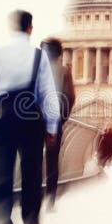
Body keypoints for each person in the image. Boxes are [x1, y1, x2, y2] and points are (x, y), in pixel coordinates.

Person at [0, 10, 60, 224]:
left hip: (1, 117)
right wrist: (52, 127)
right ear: (30, 28)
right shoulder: (38, 56)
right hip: (30, 117)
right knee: (32, 172)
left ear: (11, 28)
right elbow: (48, 93)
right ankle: (31, 222)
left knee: (1, 173)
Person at [40, 37, 75, 209]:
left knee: (31, 158)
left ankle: (32, 197)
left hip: (33, 121)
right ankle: (50, 198)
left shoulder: (36, 70)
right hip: (54, 123)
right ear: (60, 54)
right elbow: (70, 98)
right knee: (52, 160)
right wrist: (62, 119)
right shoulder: (64, 71)